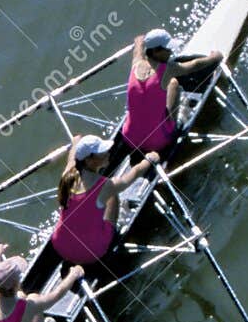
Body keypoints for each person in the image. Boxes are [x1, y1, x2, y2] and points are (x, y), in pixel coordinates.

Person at [52, 134, 160, 272]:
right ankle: (116, 227)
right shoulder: (105, 186)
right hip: (91, 253)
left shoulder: (68, 175)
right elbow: (133, 174)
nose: (107, 153)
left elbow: (71, 159)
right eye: (101, 153)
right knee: (113, 196)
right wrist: (149, 160)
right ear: (89, 160)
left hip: (60, 247)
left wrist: (75, 144)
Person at [120, 28, 224, 156]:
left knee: (170, 84)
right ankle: (179, 120)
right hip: (157, 142)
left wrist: (141, 40)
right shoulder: (168, 69)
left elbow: (138, 43)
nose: (171, 51)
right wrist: (215, 57)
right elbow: (195, 65)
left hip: (129, 138)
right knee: (174, 83)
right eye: (167, 49)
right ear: (156, 51)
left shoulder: (136, 63)